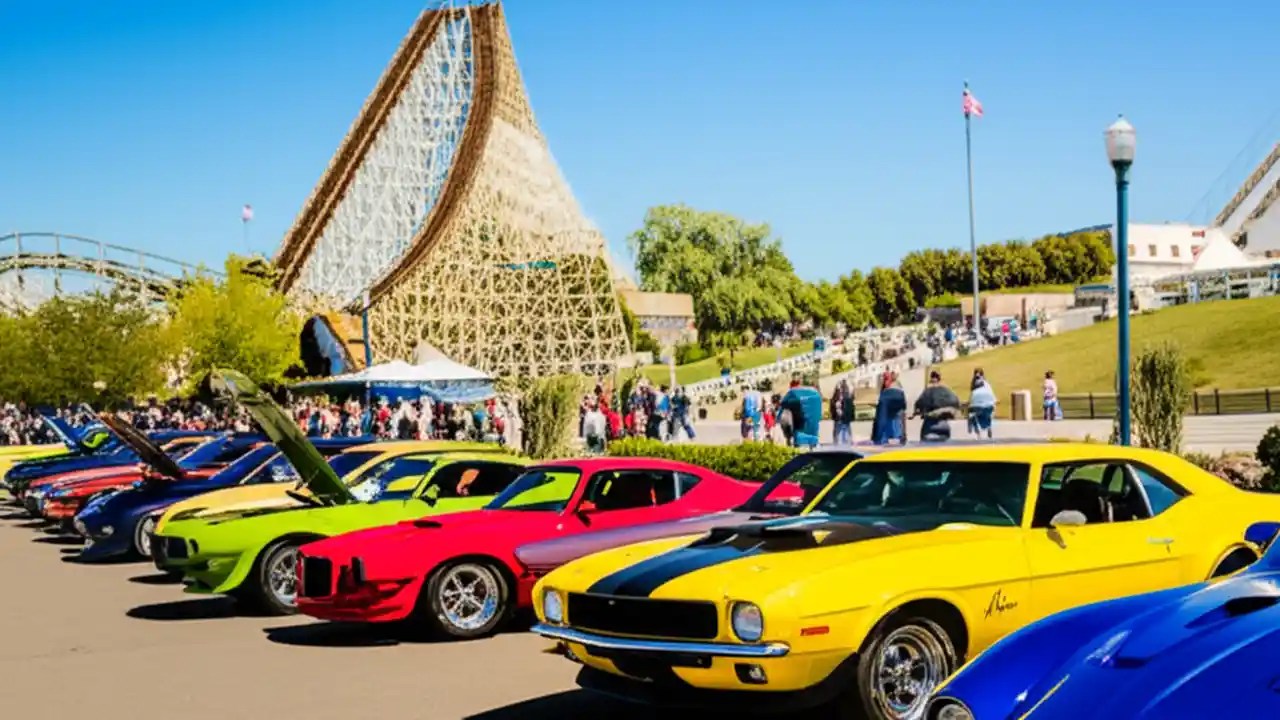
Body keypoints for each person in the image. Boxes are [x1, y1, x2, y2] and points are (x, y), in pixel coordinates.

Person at [913, 371, 961, 442]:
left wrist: (917, 411)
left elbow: (918, 404)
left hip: (930, 425)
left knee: (924, 445)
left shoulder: (928, 390)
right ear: (939, 379)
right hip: (944, 425)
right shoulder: (946, 389)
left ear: (931, 378)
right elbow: (956, 401)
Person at [871, 372, 907, 445]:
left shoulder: (885, 390)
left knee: (882, 419)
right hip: (899, 397)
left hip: (889, 397)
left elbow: (880, 418)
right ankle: (899, 436)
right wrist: (904, 434)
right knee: (898, 416)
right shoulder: (898, 385)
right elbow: (903, 414)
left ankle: (879, 438)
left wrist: (876, 437)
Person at [830, 379, 854, 445]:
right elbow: (833, 408)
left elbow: (850, 408)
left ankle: (839, 443)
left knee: (840, 432)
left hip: (842, 418)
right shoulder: (843, 397)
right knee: (841, 431)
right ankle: (839, 443)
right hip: (841, 418)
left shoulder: (846, 397)